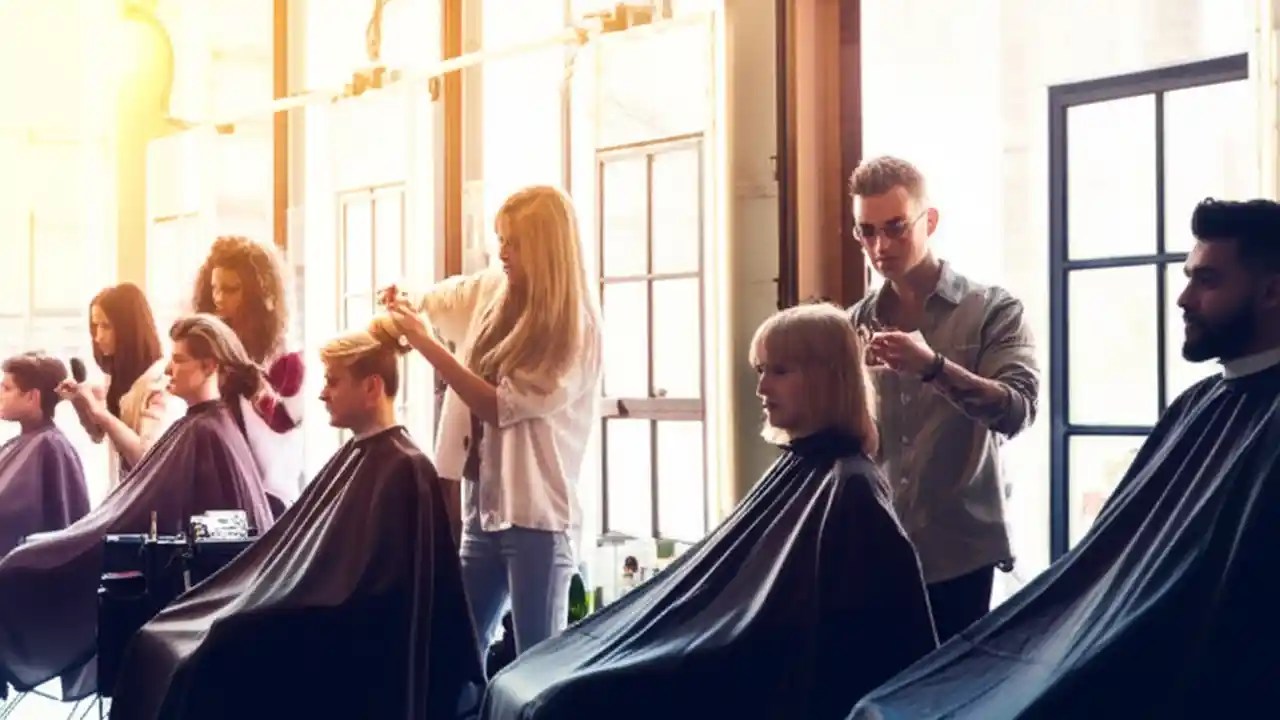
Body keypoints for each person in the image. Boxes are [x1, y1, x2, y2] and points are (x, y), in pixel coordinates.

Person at [850, 198, 1280, 719]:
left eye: (1208, 281)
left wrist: (935, 368)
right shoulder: (1196, 405)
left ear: (1271, 291)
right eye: (1188, 277)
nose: (1183, 298)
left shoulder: (991, 309)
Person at [481, 303, 938, 720]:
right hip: (718, 650)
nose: (761, 388)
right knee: (521, 680)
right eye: (761, 370)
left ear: (826, 377)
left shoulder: (850, 486)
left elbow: (865, 643)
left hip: (747, 671)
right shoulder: (803, 468)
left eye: (779, 371)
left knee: (558, 704)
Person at [108, 325, 484, 720]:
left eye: (333, 382)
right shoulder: (360, 455)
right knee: (161, 634)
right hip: (320, 611)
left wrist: (265, 608)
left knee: (211, 649)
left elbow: (378, 594)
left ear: (372, 388)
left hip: (348, 635)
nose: (322, 393)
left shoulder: (405, 468)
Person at [0, 314, 274, 701]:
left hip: (182, 588)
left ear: (209, 366)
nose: (167, 368)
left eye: (178, 359)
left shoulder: (207, 433)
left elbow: (141, 510)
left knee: (18, 569)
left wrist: (60, 545)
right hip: (172, 570)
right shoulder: (203, 427)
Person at [382, 185, 603, 663]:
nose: (501, 251)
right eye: (500, 239)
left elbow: (498, 407)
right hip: (483, 509)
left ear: (545, 249)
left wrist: (425, 345)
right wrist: (405, 302)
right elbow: (434, 301)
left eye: (514, 242)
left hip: (538, 518)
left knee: (535, 662)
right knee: (458, 653)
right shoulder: (489, 290)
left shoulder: (574, 330)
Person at [846, 155, 1039, 642]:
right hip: (873, 552)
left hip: (960, 552)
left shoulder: (994, 309)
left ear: (928, 221)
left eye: (894, 228)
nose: (879, 247)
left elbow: (1017, 411)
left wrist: (932, 367)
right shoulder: (852, 326)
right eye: (865, 232)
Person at [192, 235, 304, 514]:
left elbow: (287, 420)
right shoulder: (210, 349)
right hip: (217, 489)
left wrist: (254, 386)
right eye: (214, 288)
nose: (219, 299)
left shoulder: (285, 357)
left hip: (268, 497)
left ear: (257, 294)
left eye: (230, 289)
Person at [60, 283, 180, 492]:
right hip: (122, 494)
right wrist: (81, 401)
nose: (98, 337)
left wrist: (100, 411)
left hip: (152, 502)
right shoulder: (115, 378)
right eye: (95, 327)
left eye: (106, 326)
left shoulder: (160, 383)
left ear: (129, 329)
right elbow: (98, 434)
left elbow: (146, 456)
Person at [0, 352, 90, 559]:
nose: (0, 394)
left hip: (25, 578)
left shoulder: (51, 448)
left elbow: (63, 527)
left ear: (32, 396)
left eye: (6, 388)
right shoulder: (14, 446)